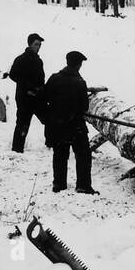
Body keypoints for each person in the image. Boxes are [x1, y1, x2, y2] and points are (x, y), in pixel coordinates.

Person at [41, 50, 96, 194]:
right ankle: (83, 185)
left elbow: (44, 97)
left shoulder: (54, 78)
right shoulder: (79, 82)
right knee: (83, 154)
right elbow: (84, 106)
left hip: (57, 125)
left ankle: (59, 184)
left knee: (59, 154)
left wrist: (51, 117)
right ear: (78, 65)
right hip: (75, 126)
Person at [8, 33, 45, 153]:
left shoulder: (38, 61)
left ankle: (51, 143)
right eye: (36, 44)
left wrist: (41, 90)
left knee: (49, 119)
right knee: (22, 123)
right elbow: (12, 75)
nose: (38, 47)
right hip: (24, 98)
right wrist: (26, 86)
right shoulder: (21, 59)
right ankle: (17, 149)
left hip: (37, 97)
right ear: (30, 45)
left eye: (39, 45)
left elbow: (41, 79)